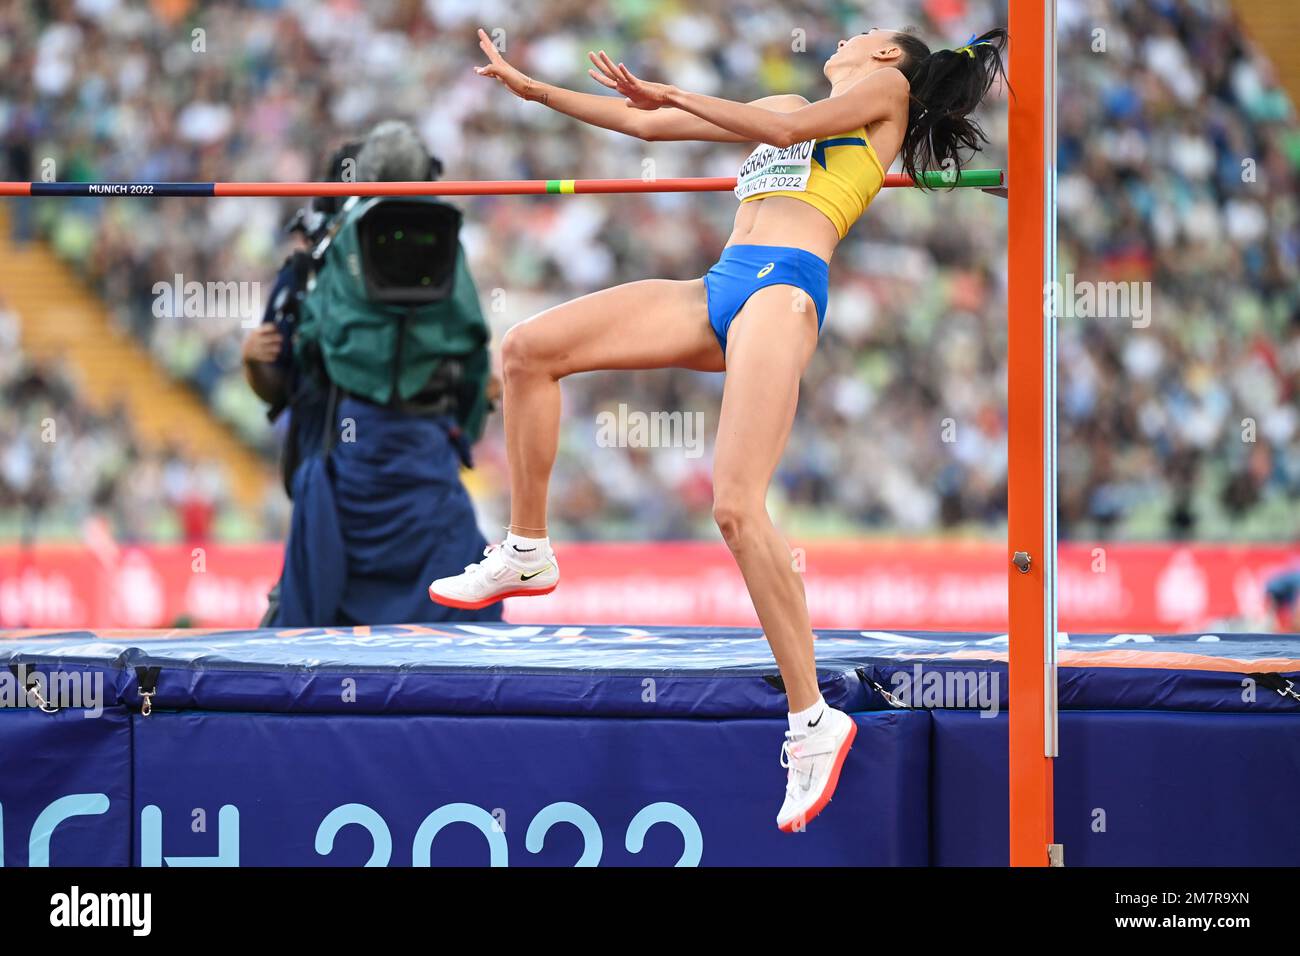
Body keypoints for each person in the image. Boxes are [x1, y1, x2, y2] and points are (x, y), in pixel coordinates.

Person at [430, 27, 1008, 830]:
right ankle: (528, 550)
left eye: (869, 30)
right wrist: (533, 88)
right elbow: (646, 128)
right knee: (529, 350)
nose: (851, 32)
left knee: (736, 507)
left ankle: (812, 721)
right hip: (721, 286)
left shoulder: (885, 96)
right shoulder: (780, 96)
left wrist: (676, 91)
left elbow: (781, 135)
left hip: (784, 290)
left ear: (888, 56)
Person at [249, 121, 503, 627]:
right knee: (465, 611)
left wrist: (256, 363)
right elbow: (475, 348)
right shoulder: (445, 240)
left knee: (308, 631)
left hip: (353, 460)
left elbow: (296, 357)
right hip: (424, 456)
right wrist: (471, 416)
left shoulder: (331, 250)